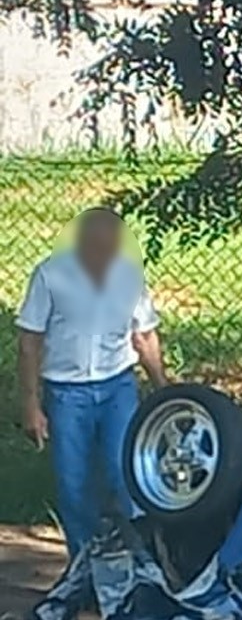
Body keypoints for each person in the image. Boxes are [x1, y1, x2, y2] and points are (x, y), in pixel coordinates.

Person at [16, 208, 168, 557]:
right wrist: (31, 405)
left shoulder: (130, 277)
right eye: (96, 249)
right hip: (67, 392)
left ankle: (140, 560)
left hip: (118, 386)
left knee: (129, 473)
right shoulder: (50, 276)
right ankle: (84, 565)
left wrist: (164, 389)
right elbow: (29, 342)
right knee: (74, 484)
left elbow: (144, 336)